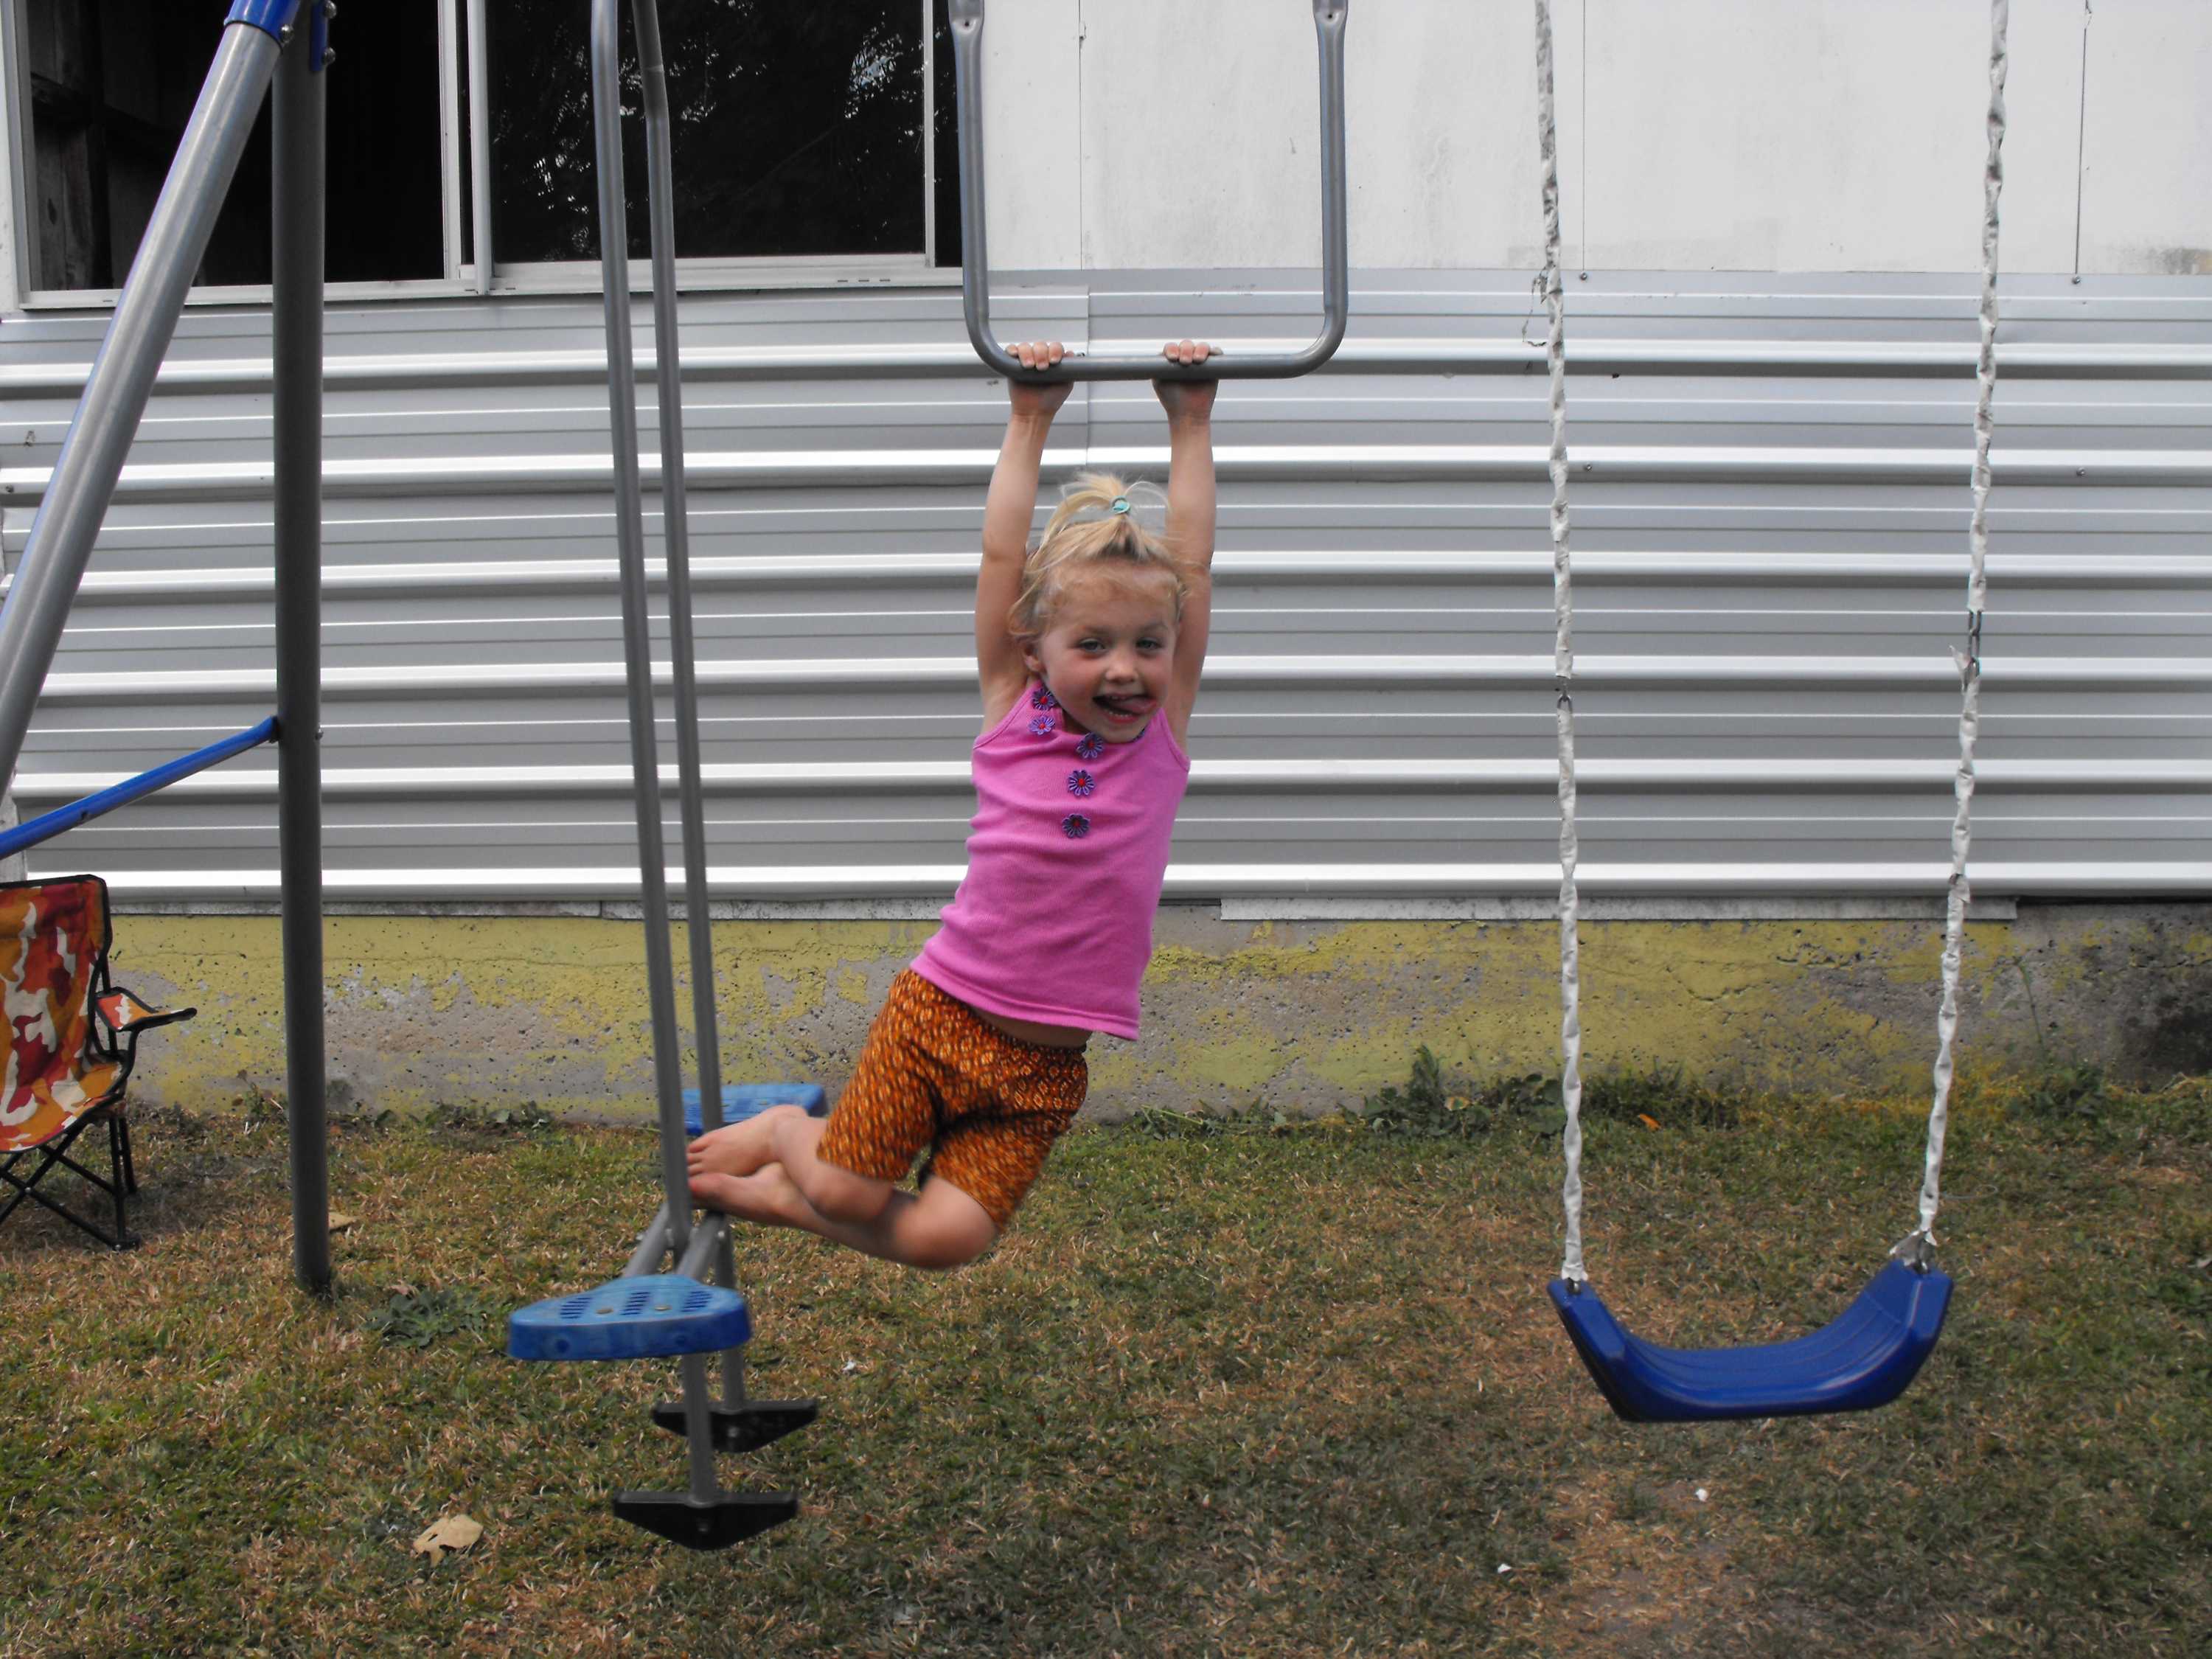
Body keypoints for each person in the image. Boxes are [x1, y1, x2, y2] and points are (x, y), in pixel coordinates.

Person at [686, 338, 1218, 1268]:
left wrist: (1192, 421)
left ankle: (779, 1192)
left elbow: (1196, 570)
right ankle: (785, 1135)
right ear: (1034, 650)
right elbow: (1001, 553)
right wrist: (1029, 418)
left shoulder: (1161, 737)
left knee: (948, 1240)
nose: (1126, 669)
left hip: (1045, 1072)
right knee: (846, 1188)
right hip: (940, 1021)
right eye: (1092, 644)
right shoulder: (1016, 715)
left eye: (1148, 644)